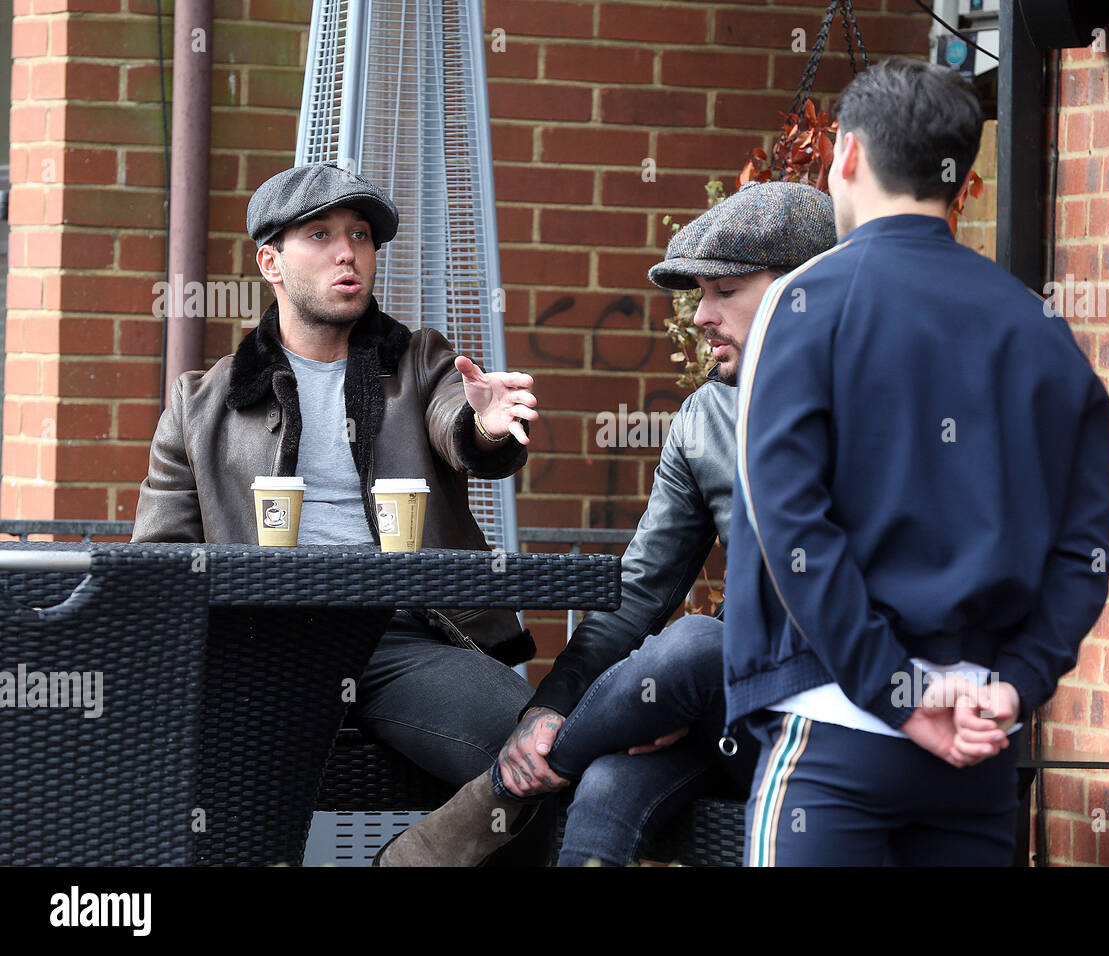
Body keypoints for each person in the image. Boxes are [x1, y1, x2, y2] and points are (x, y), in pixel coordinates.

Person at [725, 58, 1109, 866]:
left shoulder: (801, 307)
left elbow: (787, 523)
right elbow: (1086, 549)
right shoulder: (1042, 331)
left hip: (838, 733)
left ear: (846, 156)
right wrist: (1014, 682)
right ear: (959, 176)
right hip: (978, 745)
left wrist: (898, 693)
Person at [374, 180, 839, 866]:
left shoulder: (880, 400)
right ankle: (546, 754)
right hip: (740, 717)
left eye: (726, 292)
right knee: (610, 780)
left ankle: (501, 787)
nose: (701, 316)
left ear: (806, 291)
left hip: (840, 711)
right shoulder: (706, 420)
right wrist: (549, 707)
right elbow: (637, 594)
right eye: (697, 295)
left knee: (695, 646)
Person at [132, 160, 553, 863]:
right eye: (320, 234)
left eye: (360, 235)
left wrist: (485, 425)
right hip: (267, 643)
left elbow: (464, 430)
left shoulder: (420, 363)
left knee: (543, 750)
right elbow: (159, 562)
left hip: (401, 637)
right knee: (211, 817)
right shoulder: (201, 404)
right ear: (270, 261)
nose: (347, 251)